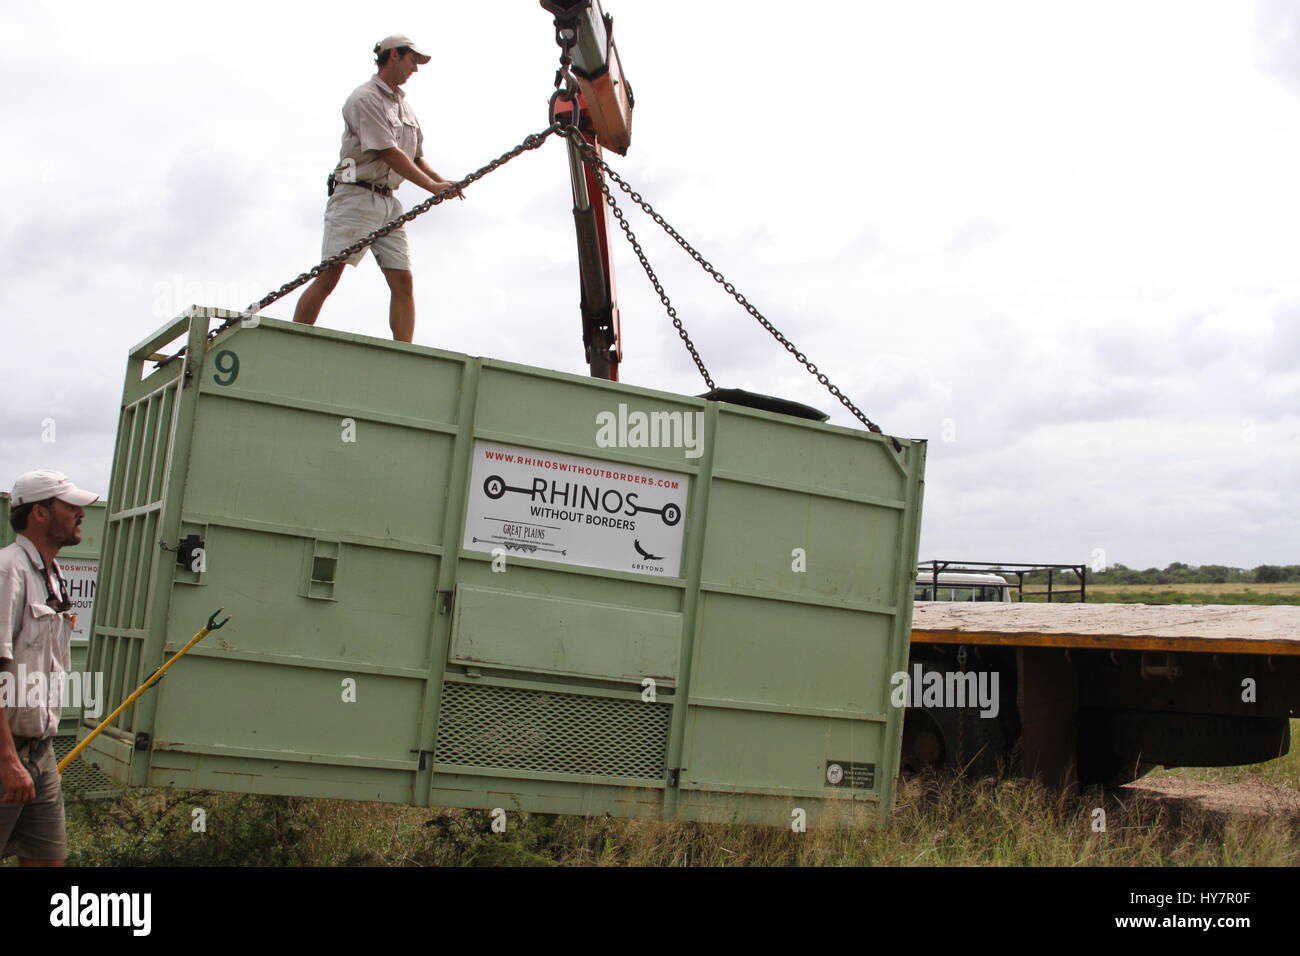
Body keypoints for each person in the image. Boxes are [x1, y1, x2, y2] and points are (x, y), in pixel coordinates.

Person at [293, 34, 463, 343]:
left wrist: (443, 183)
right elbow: (389, 152)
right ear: (394, 56)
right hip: (354, 195)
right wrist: (431, 186)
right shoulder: (364, 98)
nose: (416, 68)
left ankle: (404, 353)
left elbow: (415, 156)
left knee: (403, 280)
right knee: (329, 277)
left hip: (388, 201)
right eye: (413, 60)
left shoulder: (405, 106)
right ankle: (292, 343)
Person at [0, 469, 100, 867]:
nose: (81, 513)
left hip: (40, 755)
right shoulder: (9, 570)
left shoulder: (52, 575)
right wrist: (7, 761)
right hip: (7, 753)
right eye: (70, 505)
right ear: (39, 513)